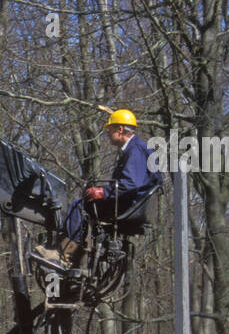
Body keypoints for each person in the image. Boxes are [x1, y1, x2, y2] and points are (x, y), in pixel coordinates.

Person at [35, 108, 161, 268]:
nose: (107, 133)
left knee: (79, 206)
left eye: (110, 129)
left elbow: (131, 183)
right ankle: (76, 254)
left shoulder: (135, 150)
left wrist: (103, 192)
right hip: (133, 203)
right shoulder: (138, 148)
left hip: (129, 205)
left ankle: (64, 255)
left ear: (120, 130)